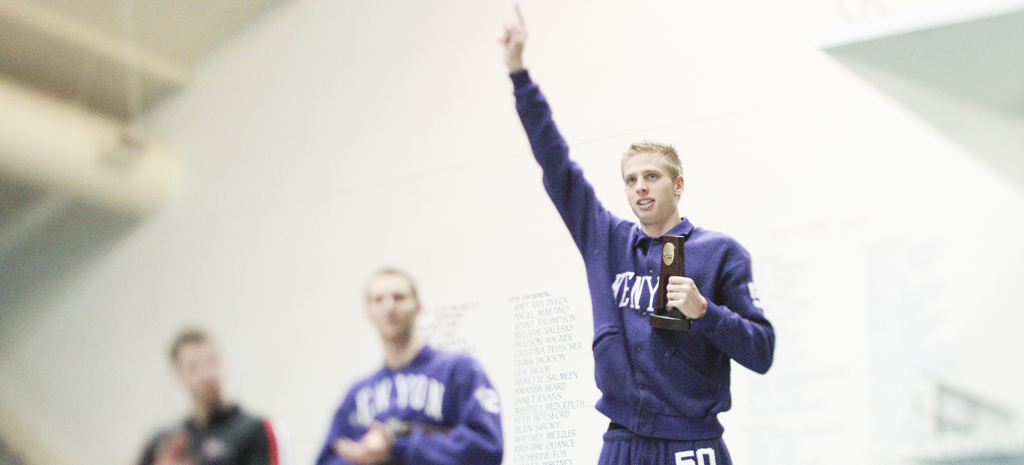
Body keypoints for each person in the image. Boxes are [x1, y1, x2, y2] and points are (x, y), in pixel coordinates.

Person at [501, 7, 774, 464]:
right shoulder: (605, 241)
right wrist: (518, 73)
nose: (640, 187)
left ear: (678, 185)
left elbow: (761, 352)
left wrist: (705, 312)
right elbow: (556, 162)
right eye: (631, 180)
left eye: (652, 177)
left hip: (694, 443)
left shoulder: (720, 253)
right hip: (621, 442)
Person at [315, 269, 503, 465]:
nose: (389, 307)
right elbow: (329, 457)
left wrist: (398, 446)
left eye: (399, 297)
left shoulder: (458, 370)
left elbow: (487, 447)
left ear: (418, 306)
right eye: (378, 300)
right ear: (369, 313)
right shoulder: (357, 394)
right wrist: (363, 457)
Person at [137, 328, 283, 465]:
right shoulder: (165, 443)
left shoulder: (256, 430)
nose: (206, 374)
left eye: (211, 361)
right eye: (193, 367)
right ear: (178, 375)